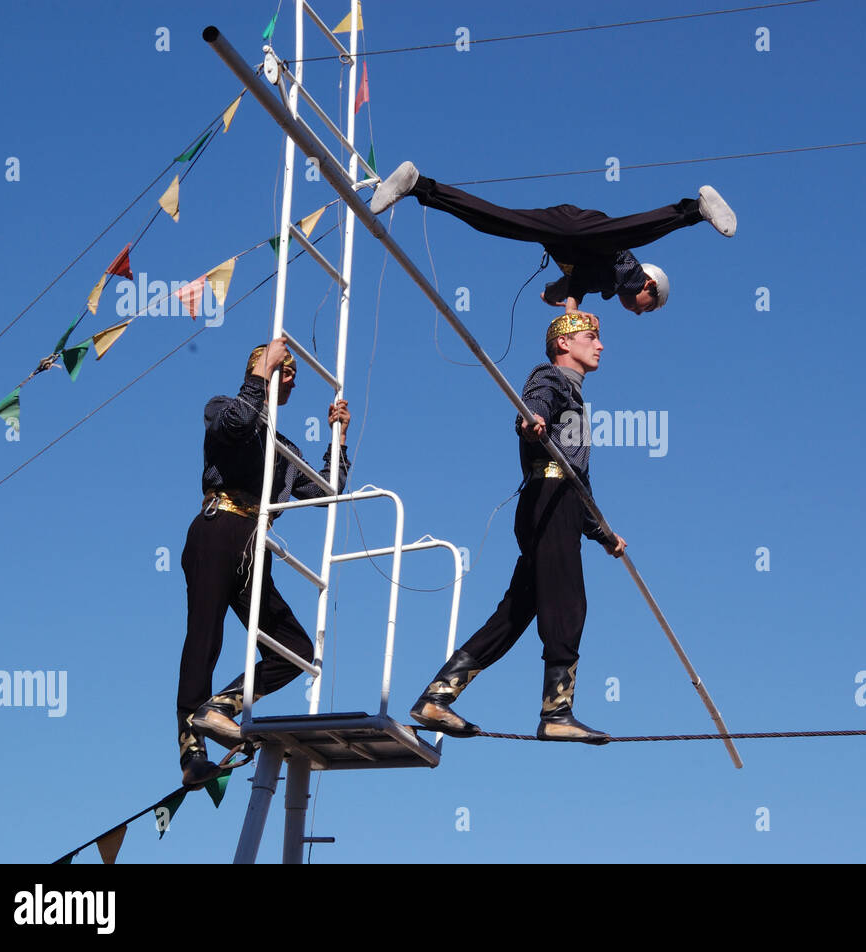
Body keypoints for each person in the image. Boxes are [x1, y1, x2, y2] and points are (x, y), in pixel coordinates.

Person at [408, 312, 627, 744]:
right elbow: (533, 408)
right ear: (564, 344)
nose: (600, 346)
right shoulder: (550, 376)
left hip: (559, 502)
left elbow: (580, 487)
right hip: (548, 501)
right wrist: (532, 424)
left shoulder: (578, 401)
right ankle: (557, 713)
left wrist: (603, 534)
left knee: (514, 613)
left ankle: (437, 698)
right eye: (590, 337)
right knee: (568, 604)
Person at [175, 338, 351, 787]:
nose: (291, 376)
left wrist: (338, 440)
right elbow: (237, 425)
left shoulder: (284, 447)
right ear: (261, 366)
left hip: (254, 543)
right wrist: (259, 375)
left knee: (294, 649)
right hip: (218, 527)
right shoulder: (223, 408)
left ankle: (221, 706)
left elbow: (326, 492)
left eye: (293, 372)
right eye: (283, 367)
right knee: (205, 634)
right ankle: (190, 747)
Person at [369, 161, 736, 315]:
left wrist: (559, 293)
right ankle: (694, 209)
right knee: (629, 231)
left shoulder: (605, 278)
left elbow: (583, 280)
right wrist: (572, 306)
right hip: (581, 229)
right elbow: (598, 281)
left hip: (559, 228)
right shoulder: (630, 274)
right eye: (646, 306)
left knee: (494, 221)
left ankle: (419, 185)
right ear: (651, 286)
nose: (639, 311)